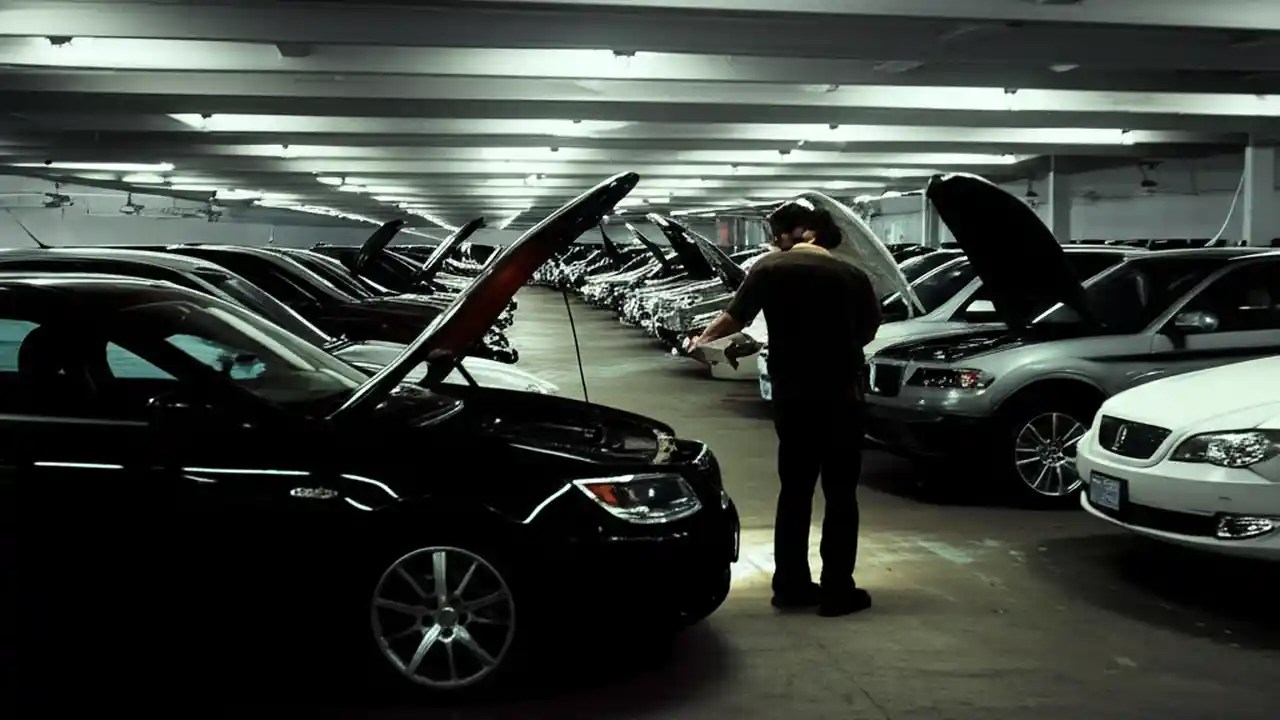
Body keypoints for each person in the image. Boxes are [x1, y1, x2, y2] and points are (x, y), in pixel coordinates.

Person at [690, 201, 881, 617]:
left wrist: (700, 339)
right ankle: (836, 591)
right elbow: (868, 330)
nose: (775, 242)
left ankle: (790, 586)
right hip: (842, 399)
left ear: (804, 233)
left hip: (793, 398)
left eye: (779, 234)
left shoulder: (769, 269)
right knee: (841, 496)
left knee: (794, 491)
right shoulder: (853, 276)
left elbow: (734, 317)